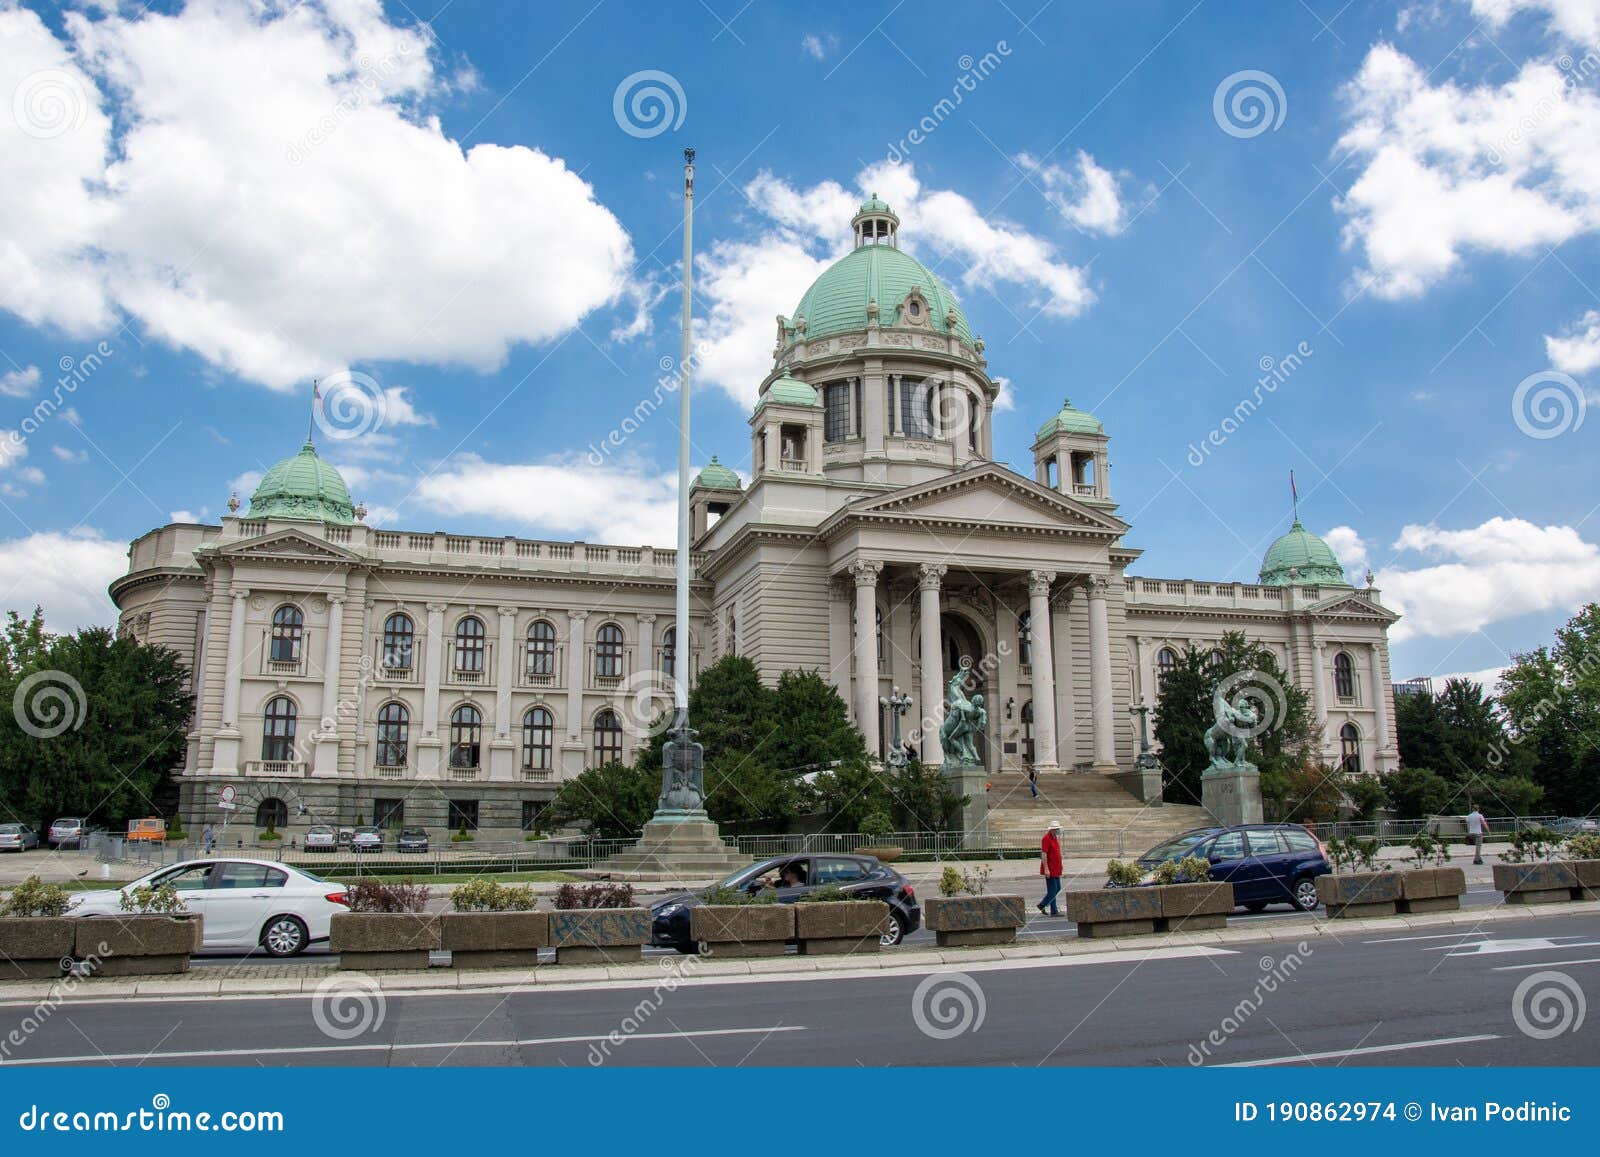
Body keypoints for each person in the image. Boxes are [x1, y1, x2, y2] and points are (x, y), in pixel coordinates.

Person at [1038, 819, 1064, 917]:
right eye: (1056, 829)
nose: (1057, 830)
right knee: (1052, 890)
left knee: (1057, 888)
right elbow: (1044, 854)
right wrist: (1046, 869)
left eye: (1058, 829)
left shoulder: (1054, 838)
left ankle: (1042, 904)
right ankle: (1053, 910)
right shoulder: (1046, 838)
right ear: (1052, 829)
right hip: (1050, 868)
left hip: (1056, 868)